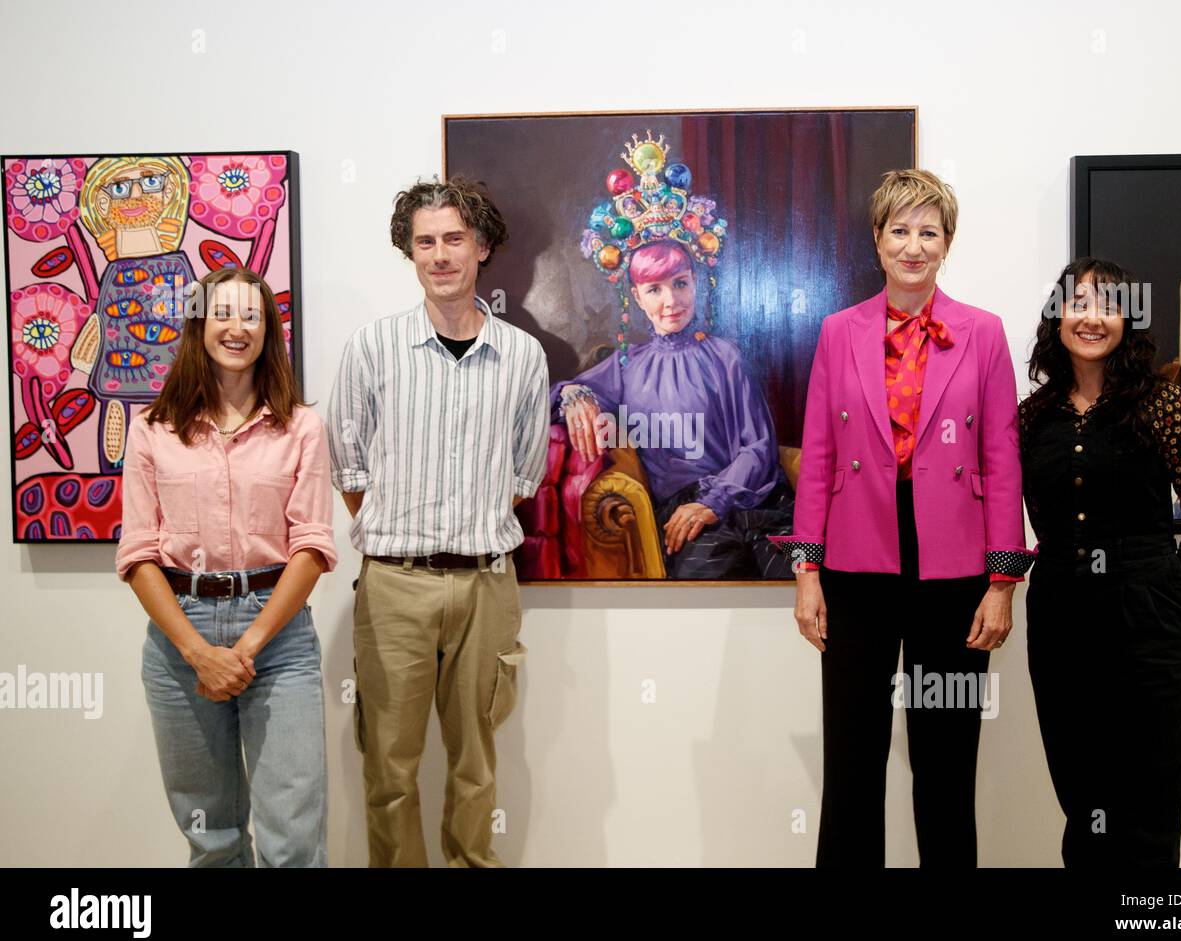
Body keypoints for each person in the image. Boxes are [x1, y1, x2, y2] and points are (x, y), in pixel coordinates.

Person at [768, 169, 1032, 867]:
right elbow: (819, 459)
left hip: (955, 566)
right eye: (899, 231)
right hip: (857, 564)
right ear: (877, 240)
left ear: (946, 243)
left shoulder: (983, 332)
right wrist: (807, 573)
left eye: (928, 232)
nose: (913, 246)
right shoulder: (839, 332)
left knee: (946, 758)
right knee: (852, 756)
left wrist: (1001, 583)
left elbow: (1002, 460)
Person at [326, 175, 548, 868]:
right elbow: (348, 467)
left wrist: (463, 529)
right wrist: (407, 535)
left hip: (487, 586)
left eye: (454, 238)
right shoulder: (372, 347)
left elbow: (522, 476)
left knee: (476, 765)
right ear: (409, 252)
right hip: (394, 587)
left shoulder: (522, 356)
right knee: (389, 769)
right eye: (425, 242)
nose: (441, 254)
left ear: (481, 246)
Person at [115, 265, 337, 867]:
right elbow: (138, 556)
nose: (237, 327)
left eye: (252, 315)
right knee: (210, 836)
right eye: (223, 313)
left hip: (279, 638)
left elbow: (312, 546)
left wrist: (248, 648)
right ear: (199, 325)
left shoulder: (302, 427)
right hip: (178, 641)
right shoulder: (153, 430)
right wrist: (197, 653)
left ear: (268, 330)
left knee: (291, 838)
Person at [1019, 256, 1181, 867]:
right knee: (1084, 806)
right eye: (1078, 304)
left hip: (1149, 629)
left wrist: (1164, 590)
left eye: (1108, 306)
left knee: (1149, 811)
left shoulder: (1162, 403)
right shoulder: (1032, 418)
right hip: (1061, 623)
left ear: (1128, 321)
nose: (1092, 319)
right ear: (1058, 317)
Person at [558, 131, 793, 579]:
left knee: (808, 582)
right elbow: (567, 390)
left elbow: (759, 447)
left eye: (681, 283)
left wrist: (716, 501)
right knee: (706, 600)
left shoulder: (727, 357)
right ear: (637, 297)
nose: (671, 301)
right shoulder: (627, 367)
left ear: (696, 283)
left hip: (766, 507)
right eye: (655, 289)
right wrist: (574, 397)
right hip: (687, 521)